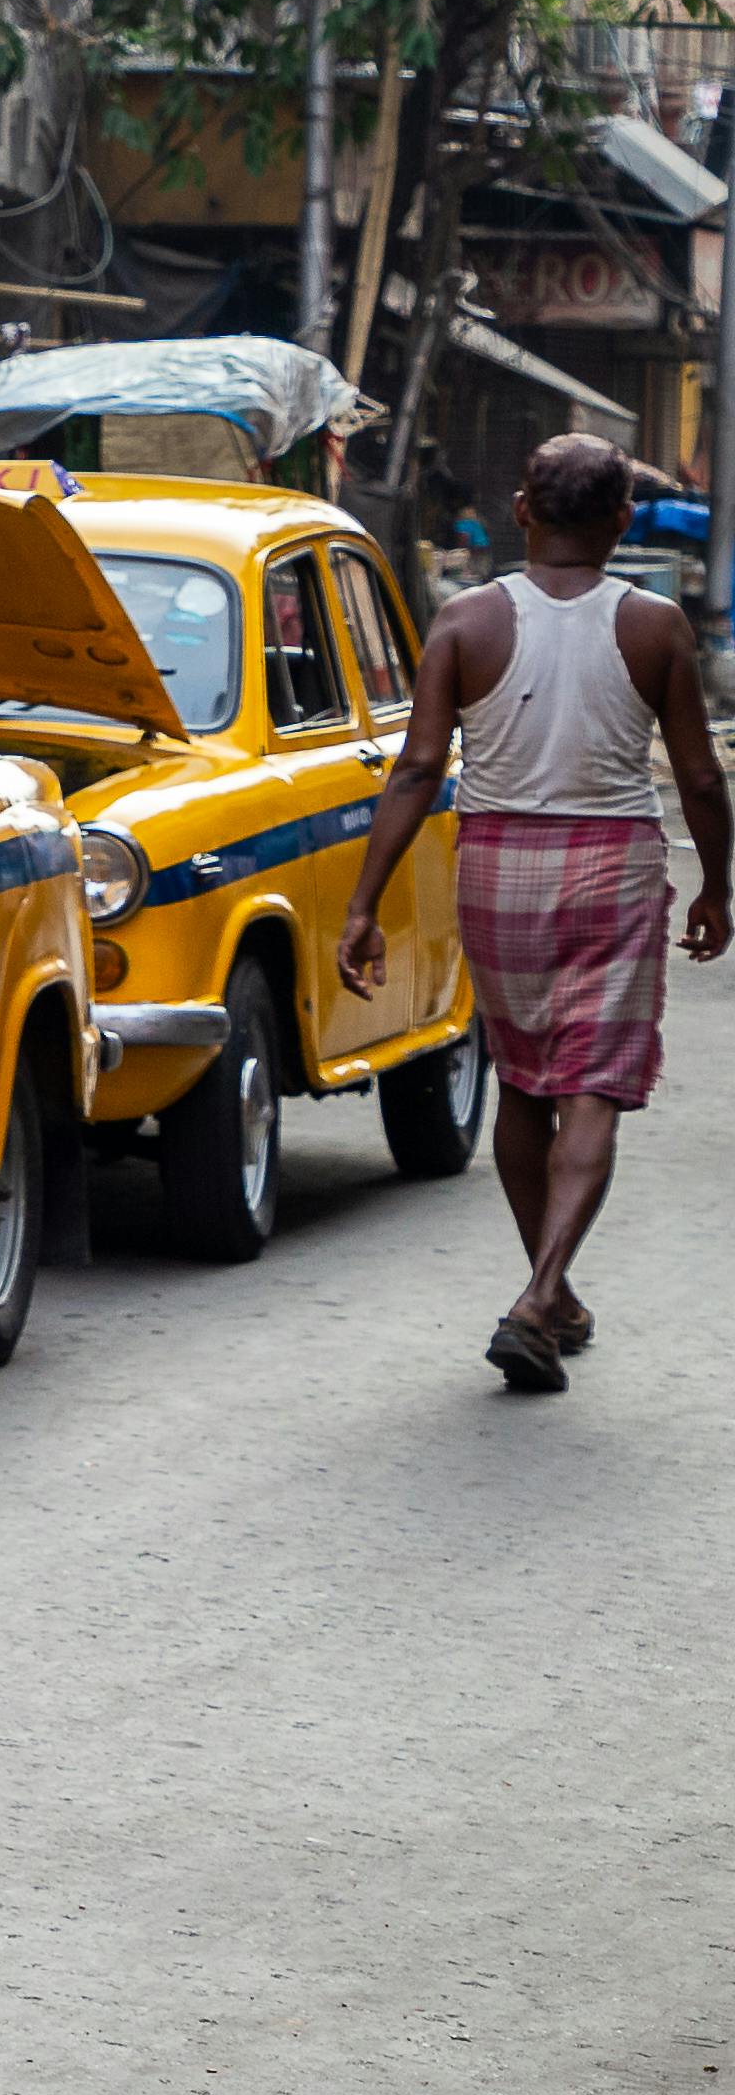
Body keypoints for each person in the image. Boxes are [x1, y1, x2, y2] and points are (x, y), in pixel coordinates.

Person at [341, 432, 733, 1393]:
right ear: (622, 520)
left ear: (520, 511)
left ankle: (551, 1299)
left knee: (523, 1085)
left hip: (497, 870)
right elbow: (699, 778)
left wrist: (364, 904)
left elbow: (418, 770)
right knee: (591, 1087)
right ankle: (541, 1294)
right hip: (613, 871)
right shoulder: (655, 626)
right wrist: (718, 886)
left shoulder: (465, 620)